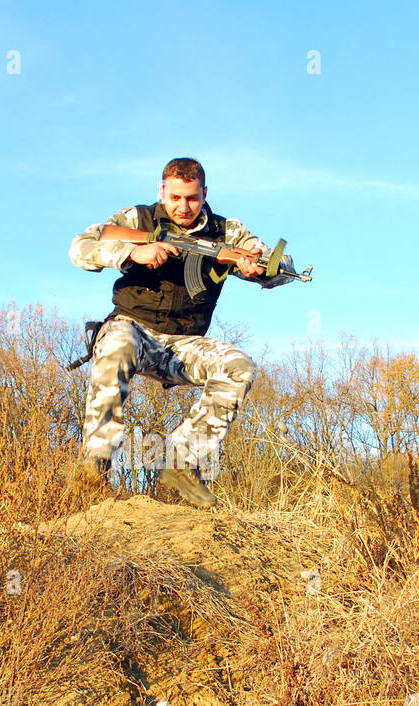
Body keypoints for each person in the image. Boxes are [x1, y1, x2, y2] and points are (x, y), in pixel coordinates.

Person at [67, 157, 281, 509]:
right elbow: (80, 247)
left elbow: (275, 267)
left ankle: (183, 462)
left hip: (183, 345)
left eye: (193, 199)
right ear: (162, 190)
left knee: (239, 366)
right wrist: (133, 251)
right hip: (132, 329)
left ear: (205, 193)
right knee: (118, 342)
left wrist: (259, 268)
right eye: (176, 197)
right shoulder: (138, 219)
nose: (183, 207)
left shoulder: (227, 231)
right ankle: (95, 464)